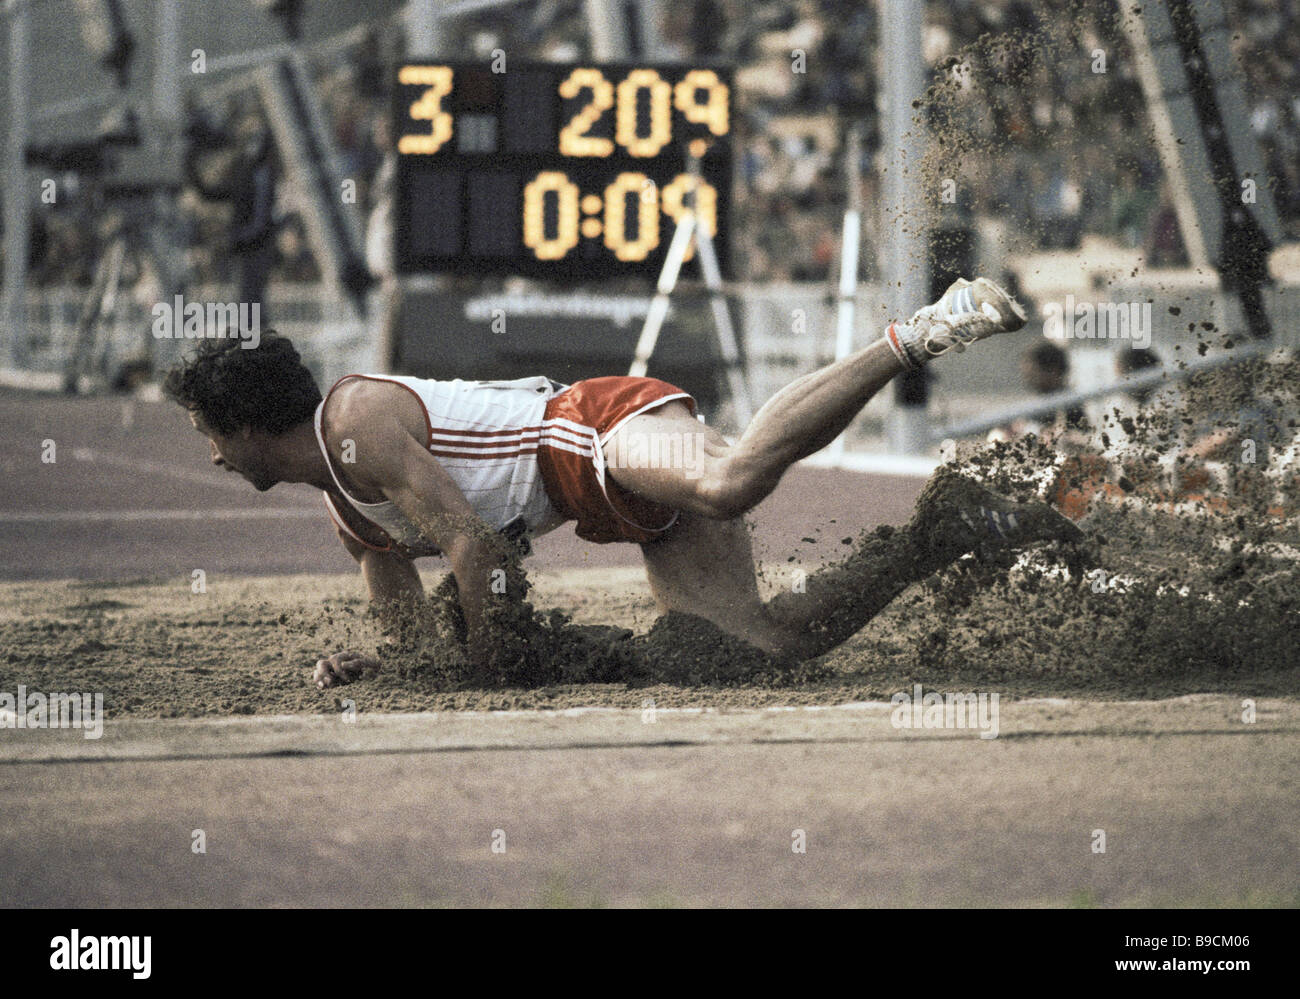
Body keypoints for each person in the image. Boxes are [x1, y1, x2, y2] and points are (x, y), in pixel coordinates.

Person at [165, 277, 1082, 688]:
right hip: (597, 505)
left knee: (725, 483)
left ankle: (918, 331)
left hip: (595, 429)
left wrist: (487, 670)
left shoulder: (356, 421)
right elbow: (418, 653)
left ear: (248, 426)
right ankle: (941, 531)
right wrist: (381, 669)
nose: (210, 455)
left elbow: (474, 549)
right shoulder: (349, 517)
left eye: (209, 433)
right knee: (764, 647)